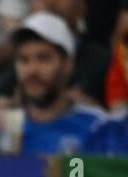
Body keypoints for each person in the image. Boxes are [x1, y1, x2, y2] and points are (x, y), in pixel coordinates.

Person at [8, 10, 111, 152]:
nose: (32, 70)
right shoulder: (3, 131)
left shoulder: (98, 128)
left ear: (68, 65)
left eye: (43, 58)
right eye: (24, 60)